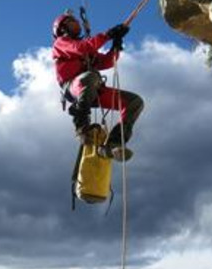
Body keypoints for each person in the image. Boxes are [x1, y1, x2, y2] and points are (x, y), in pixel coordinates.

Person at [52, 11, 144, 161]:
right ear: (62, 28)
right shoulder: (61, 43)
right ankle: (82, 127)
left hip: (92, 88)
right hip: (74, 86)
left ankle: (113, 143)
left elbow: (107, 62)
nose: (77, 23)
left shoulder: (87, 51)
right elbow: (81, 48)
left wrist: (116, 44)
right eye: (72, 21)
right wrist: (108, 34)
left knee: (134, 102)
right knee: (90, 77)